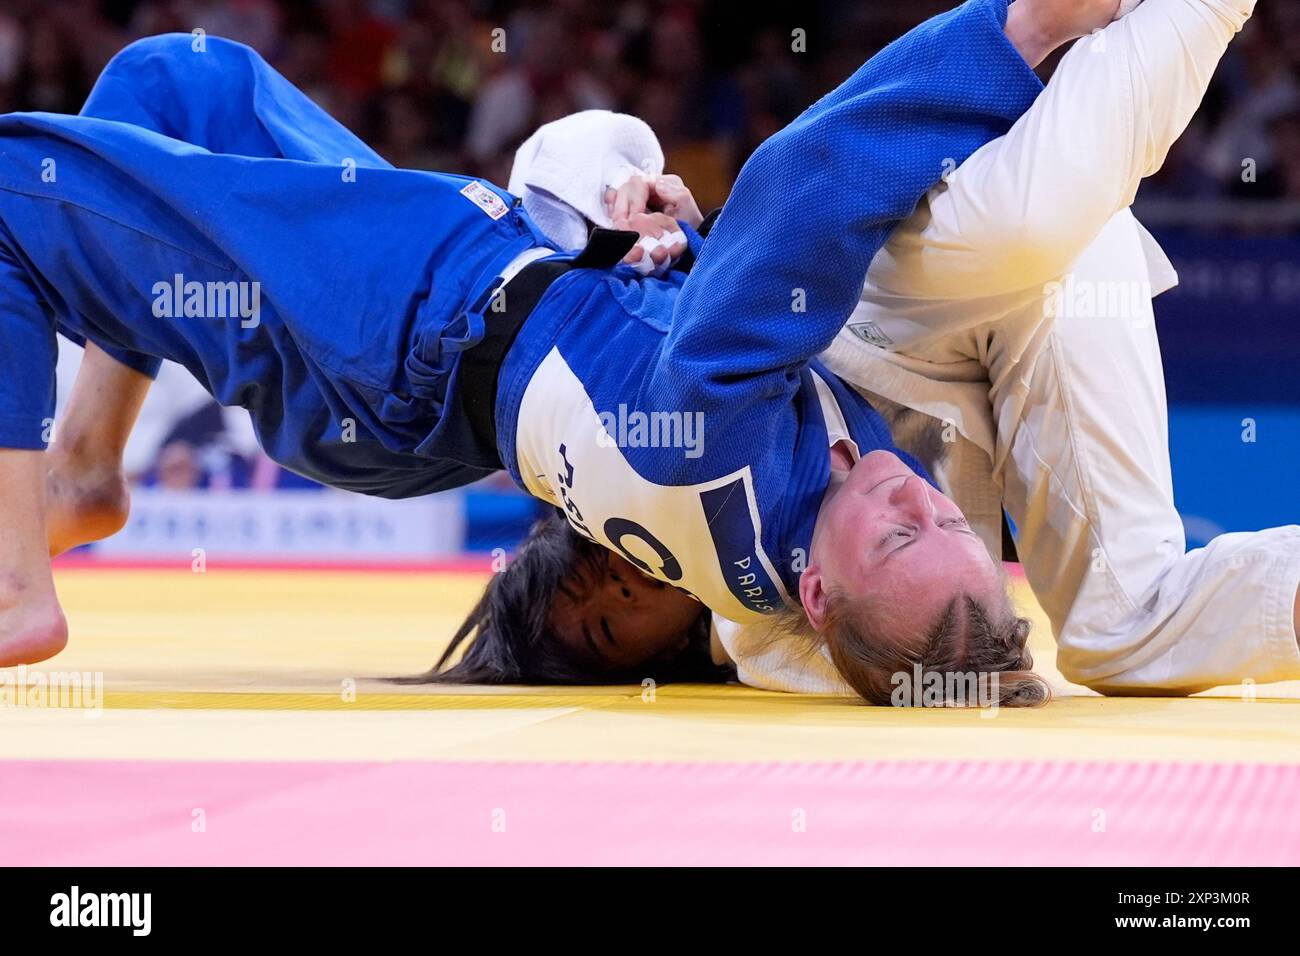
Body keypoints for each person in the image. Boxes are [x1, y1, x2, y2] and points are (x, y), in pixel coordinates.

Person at [0, 0, 1121, 702]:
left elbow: (804, 185)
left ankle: (14, 586)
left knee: (14, 189)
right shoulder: (803, 511)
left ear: (817, 593)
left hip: (397, 322)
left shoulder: (727, 454)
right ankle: (90, 464)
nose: (912, 493)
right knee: (177, 84)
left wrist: (1019, 33)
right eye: (943, 516)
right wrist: (678, 247)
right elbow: (713, 330)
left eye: (897, 532)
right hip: (441, 334)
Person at [441, 0, 1298, 703]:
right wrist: (984, 681)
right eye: (612, 623)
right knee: (1122, 631)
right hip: (1045, 321)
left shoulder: (629, 428)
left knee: (1023, 232)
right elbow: (941, 659)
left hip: (885, 306)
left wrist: (618, 210)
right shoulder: (769, 638)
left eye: (602, 565)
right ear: (644, 663)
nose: (633, 581)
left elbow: (548, 184)